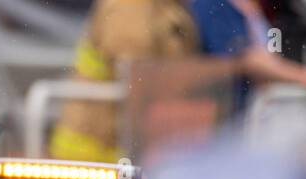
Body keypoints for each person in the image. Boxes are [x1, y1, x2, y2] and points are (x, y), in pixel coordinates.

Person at [49, 0, 201, 162]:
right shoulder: (131, 6)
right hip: (101, 156)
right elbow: (136, 75)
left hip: (122, 151)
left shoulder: (166, 6)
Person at [190, 0, 306, 108]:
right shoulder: (213, 4)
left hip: (258, 113)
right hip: (229, 117)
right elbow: (246, 59)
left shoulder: (257, 7)